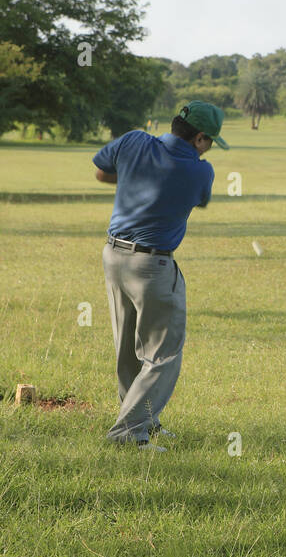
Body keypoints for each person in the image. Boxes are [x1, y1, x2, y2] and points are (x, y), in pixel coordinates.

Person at [92, 101, 229, 450]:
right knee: (162, 354)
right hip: (152, 266)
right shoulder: (201, 172)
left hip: (114, 255)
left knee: (127, 348)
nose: (210, 147)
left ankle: (143, 421)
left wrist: (135, 178)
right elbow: (199, 200)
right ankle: (128, 433)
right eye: (210, 140)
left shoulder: (134, 141)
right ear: (199, 138)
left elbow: (101, 172)